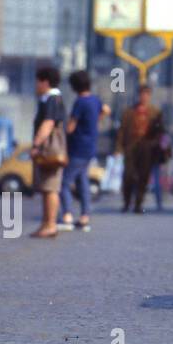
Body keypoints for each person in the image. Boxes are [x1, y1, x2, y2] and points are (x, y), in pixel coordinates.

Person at [60, 70, 109, 232]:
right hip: (90, 148)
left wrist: (63, 131)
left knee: (64, 183)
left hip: (77, 148)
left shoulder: (80, 102)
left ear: (74, 86)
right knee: (82, 182)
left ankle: (67, 214)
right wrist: (96, 121)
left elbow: (71, 127)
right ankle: (84, 216)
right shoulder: (95, 100)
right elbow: (106, 110)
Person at [28, 66, 67, 239]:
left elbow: (48, 123)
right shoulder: (50, 99)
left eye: (37, 81)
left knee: (51, 187)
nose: (36, 85)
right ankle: (46, 223)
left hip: (50, 148)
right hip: (49, 147)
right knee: (46, 187)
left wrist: (36, 144)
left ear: (45, 81)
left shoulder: (52, 99)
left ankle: (50, 224)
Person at [118, 85, 164, 214]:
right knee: (128, 176)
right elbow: (121, 131)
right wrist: (118, 148)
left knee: (143, 177)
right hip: (131, 147)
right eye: (142, 94)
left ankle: (138, 203)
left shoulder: (155, 113)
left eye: (147, 94)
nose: (144, 97)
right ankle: (127, 202)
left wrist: (157, 146)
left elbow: (161, 132)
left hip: (147, 148)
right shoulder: (129, 112)